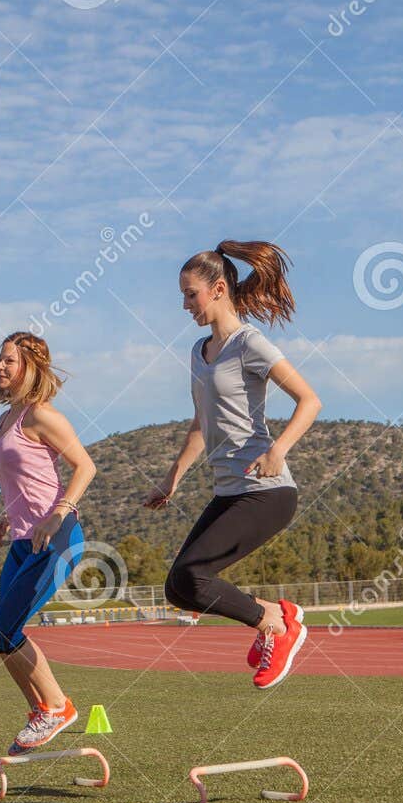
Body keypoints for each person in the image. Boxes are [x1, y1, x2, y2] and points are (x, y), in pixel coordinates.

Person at [143, 241, 321, 688]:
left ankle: (277, 626)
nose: (185, 305)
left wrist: (278, 449)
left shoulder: (249, 343)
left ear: (218, 288)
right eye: (182, 296)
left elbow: (309, 400)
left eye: (191, 295)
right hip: (228, 493)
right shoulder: (198, 353)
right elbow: (200, 426)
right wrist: (171, 480)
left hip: (267, 491)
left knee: (193, 575)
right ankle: (276, 615)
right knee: (177, 588)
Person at [0, 331, 98, 755]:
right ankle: (44, 710)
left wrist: (59, 512)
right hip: (22, 540)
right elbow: (24, 478)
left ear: (30, 367)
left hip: (56, 538)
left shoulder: (41, 415)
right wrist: (5, 516)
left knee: (7, 627)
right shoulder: (7, 419)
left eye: (9, 361)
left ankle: (55, 707)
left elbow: (85, 466)